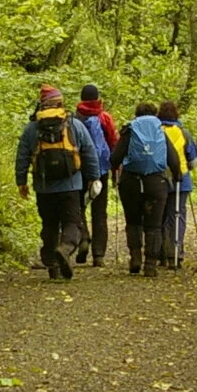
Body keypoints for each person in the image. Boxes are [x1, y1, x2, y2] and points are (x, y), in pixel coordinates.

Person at [14, 84, 103, 279]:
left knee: (49, 224)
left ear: (42, 104)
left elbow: (22, 156)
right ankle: (65, 248)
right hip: (71, 185)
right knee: (72, 222)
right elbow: (89, 152)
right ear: (60, 103)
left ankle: (53, 267)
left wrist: (21, 181)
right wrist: (93, 177)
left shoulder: (32, 128)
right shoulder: (73, 125)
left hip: (44, 186)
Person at [114, 100, 185, 276]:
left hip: (131, 182)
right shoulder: (160, 130)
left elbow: (115, 158)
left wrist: (115, 171)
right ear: (155, 114)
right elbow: (173, 158)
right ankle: (150, 265)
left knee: (133, 221)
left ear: (136, 114)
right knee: (154, 225)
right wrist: (177, 175)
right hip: (156, 183)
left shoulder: (130, 130)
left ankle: (135, 257)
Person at [73, 84, 119, 267]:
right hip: (101, 170)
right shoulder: (104, 117)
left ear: (82, 98)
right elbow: (113, 142)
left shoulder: (75, 118)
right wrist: (115, 169)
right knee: (99, 212)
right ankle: (99, 255)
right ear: (98, 98)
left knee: (78, 207)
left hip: (79, 169)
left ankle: (83, 238)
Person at [158, 100, 197, 270]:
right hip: (181, 180)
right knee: (177, 215)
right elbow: (194, 161)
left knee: (160, 216)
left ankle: (161, 252)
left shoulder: (157, 131)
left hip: (160, 178)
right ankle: (175, 253)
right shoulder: (184, 133)